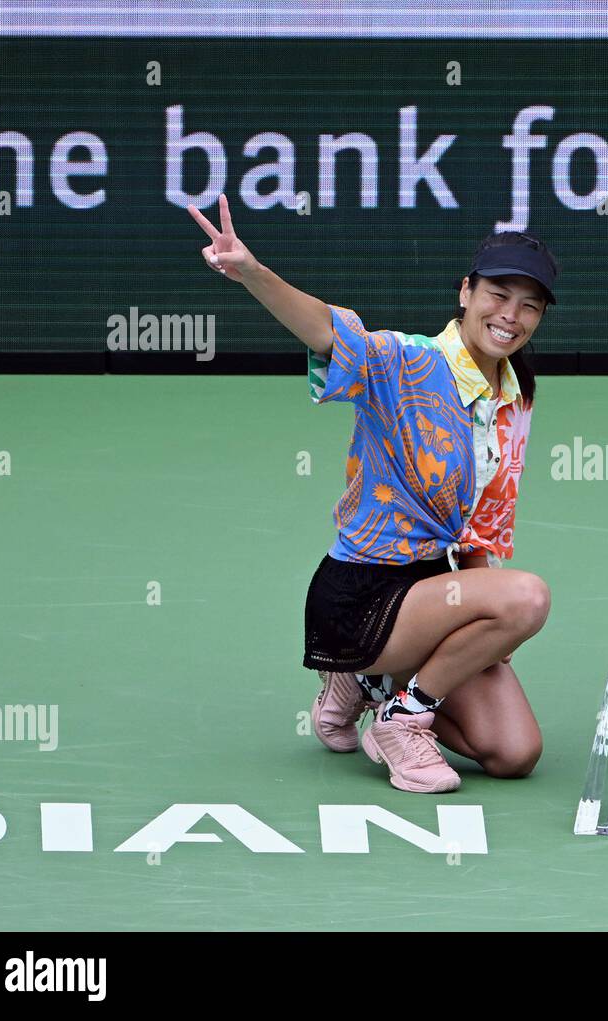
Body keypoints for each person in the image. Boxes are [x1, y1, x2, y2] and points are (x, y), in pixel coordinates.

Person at [190, 196, 555, 793]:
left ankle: (374, 685)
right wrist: (250, 271)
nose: (510, 316)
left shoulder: (515, 396)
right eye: (498, 296)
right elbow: (327, 329)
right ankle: (398, 717)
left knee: (514, 752)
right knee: (529, 597)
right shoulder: (406, 361)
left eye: (529, 306)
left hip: (440, 591)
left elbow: (483, 523)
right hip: (363, 597)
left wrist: (489, 632)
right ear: (465, 292)